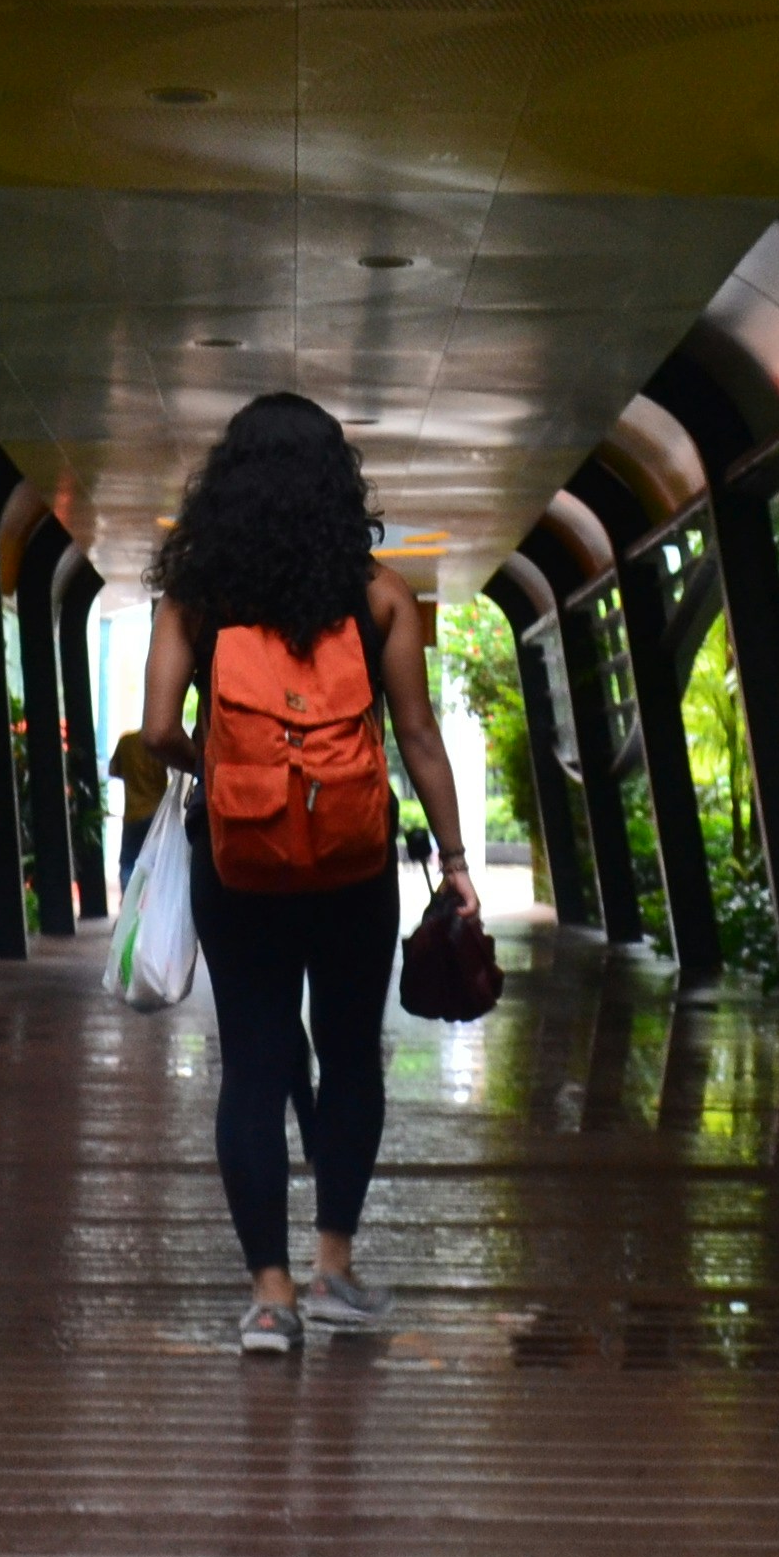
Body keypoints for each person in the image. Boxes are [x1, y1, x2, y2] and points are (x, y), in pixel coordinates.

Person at [131, 392, 478, 1356]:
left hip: (238, 866)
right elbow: (417, 736)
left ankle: (269, 1299)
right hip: (352, 863)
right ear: (337, 487)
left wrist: (235, 774)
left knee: (253, 1062)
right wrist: (453, 863)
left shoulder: (195, 600)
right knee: (351, 1050)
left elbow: (159, 731)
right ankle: (333, 1270)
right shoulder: (377, 597)